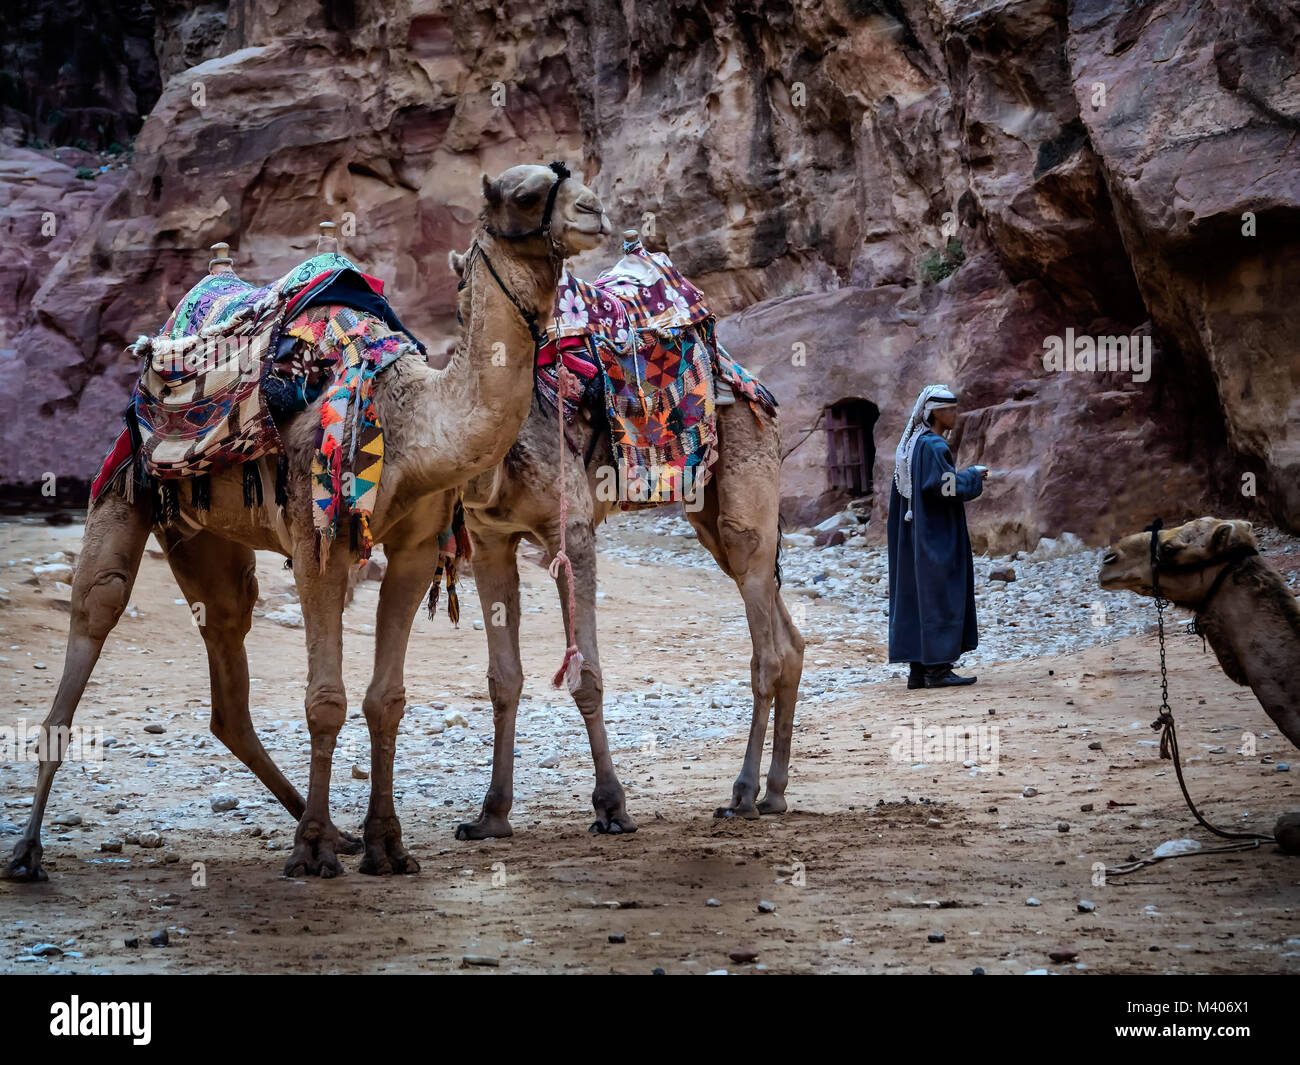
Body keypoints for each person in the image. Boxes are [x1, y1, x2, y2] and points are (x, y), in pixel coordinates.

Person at [887, 384, 988, 688]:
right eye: (951, 409)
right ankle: (938, 670)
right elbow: (944, 487)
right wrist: (973, 476)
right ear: (935, 412)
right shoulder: (932, 446)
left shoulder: (914, 445)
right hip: (934, 533)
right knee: (940, 593)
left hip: (916, 534)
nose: (955, 414)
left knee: (919, 594)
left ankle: (919, 670)